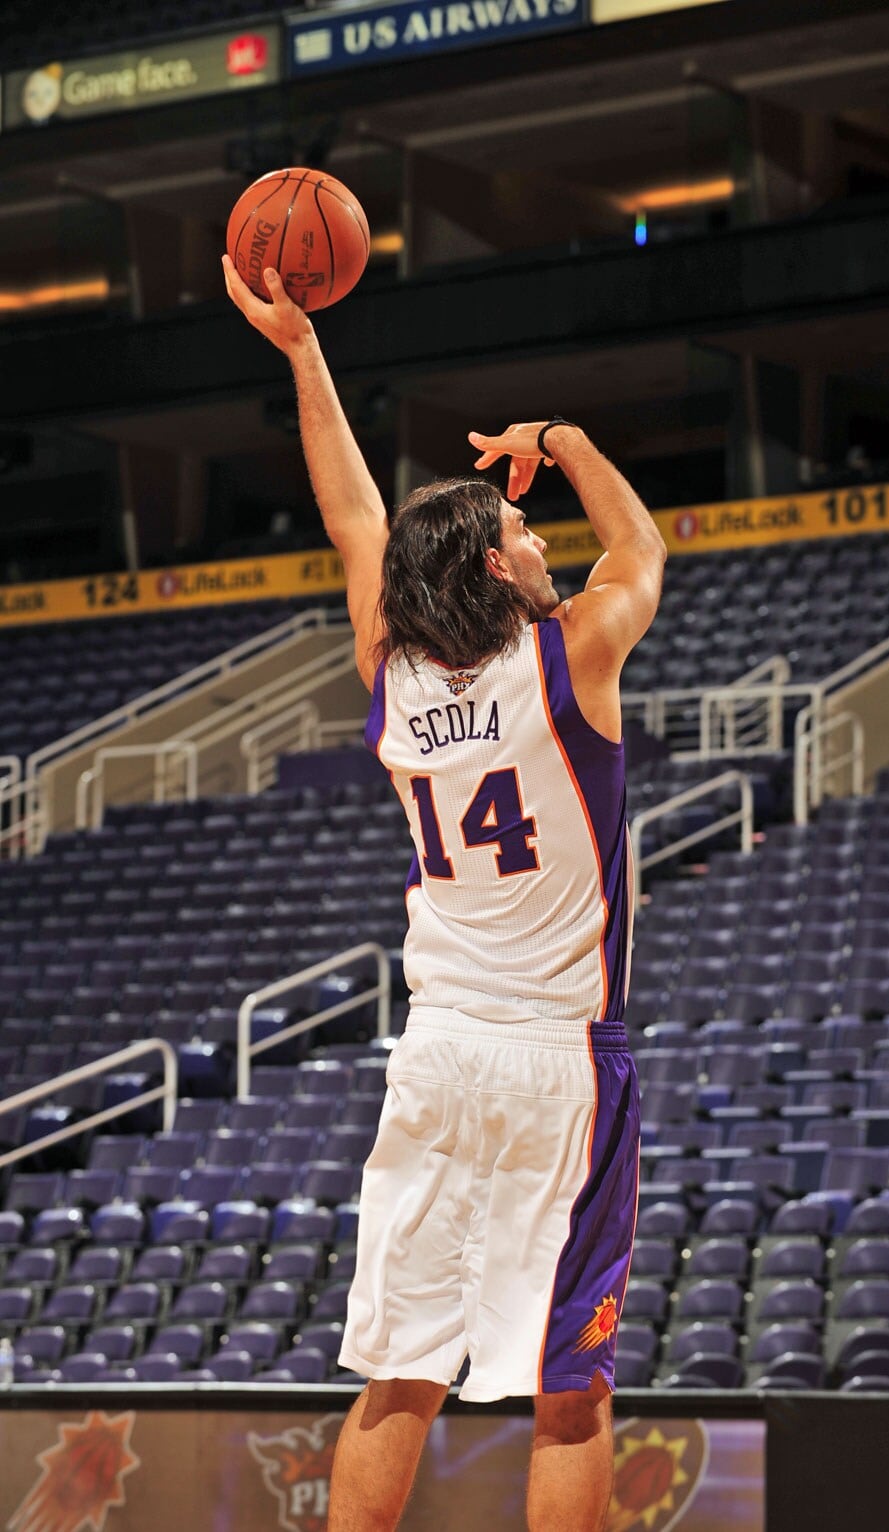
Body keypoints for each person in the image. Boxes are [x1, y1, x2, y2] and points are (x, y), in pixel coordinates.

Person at [223, 256, 666, 1532]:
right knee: (570, 1387)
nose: (542, 540)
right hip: (558, 1064)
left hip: (435, 1049)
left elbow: (354, 517)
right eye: (520, 532)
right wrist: (566, 442)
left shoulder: (392, 674)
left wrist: (304, 354)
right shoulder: (574, 650)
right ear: (488, 568)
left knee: (400, 1370)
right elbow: (642, 548)